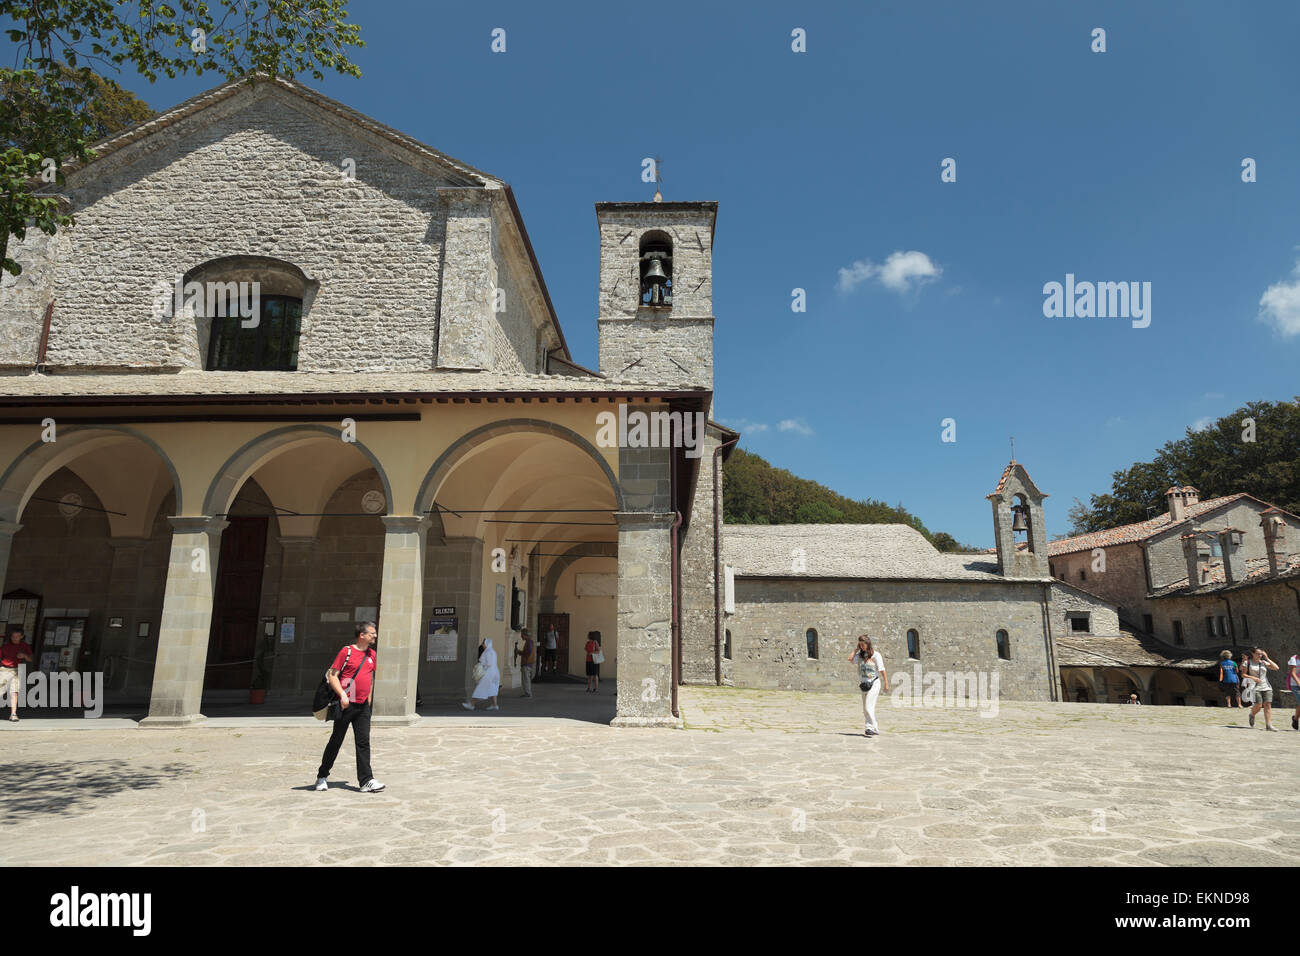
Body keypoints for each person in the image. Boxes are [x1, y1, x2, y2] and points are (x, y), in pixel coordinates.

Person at [315, 621, 384, 792]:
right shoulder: (346, 652)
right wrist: (343, 695)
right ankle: (322, 776)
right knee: (336, 741)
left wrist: (368, 698)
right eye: (372, 633)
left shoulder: (372, 655)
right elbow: (333, 676)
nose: (374, 636)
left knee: (363, 742)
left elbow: (370, 677)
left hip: (362, 706)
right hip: (346, 704)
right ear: (362, 635)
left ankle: (366, 780)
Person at [848, 635, 888, 737]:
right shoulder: (860, 655)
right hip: (864, 685)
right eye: (860, 645)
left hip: (874, 683)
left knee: (868, 705)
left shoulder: (876, 655)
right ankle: (875, 728)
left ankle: (869, 727)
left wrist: (886, 684)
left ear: (868, 643)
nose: (862, 647)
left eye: (863, 644)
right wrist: (856, 649)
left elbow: (882, 670)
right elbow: (850, 659)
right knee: (866, 708)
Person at [1242, 646, 1280, 731]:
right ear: (1252, 654)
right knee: (1259, 705)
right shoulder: (1247, 663)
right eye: (1257, 654)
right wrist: (1253, 678)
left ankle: (1268, 725)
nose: (1259, 655)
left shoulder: (1263, 662)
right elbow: (1243, 675)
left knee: (1268, 704)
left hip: (1266, 686)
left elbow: (1276, 668)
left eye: (1261, 654)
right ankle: (1252, 714)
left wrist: (1267, 658)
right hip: (1254, 686)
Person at [1, 627, 33, 722]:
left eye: (17, 636)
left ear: (21, 637)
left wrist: (24, 655)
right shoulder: (5, 646)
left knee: (14, 692)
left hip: (17, 670)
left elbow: (30, 659)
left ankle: (13, 714)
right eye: (13, 636)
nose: (14, 638)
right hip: (4, 670)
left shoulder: (24, 646)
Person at [463, 637, 500, 711]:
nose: (482, 644)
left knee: (480, 688)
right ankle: (494, 705)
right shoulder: (493, 651)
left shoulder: (488, 652)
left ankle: (472, 704)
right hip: (495, 672)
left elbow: (488, 663)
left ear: (486, 643)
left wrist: (481, 666)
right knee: (492, 688)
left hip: (488, 672)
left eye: (483, 643)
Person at [514, 628, 535, 698]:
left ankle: (528, 693)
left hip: (527, 663)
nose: (521, 636)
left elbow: (528, 652)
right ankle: (527, 692)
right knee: (526, 679)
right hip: (528, 663)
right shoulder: (529, 641)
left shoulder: (529, 642)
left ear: (525, 635)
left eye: (522, 635)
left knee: (525, 679)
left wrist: (520, 652)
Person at [1288, 646, 1300, 731]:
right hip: (1295, 684)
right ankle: (1295, 719)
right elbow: (1293, 673)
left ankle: (1295, 719)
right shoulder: (1294, 659)